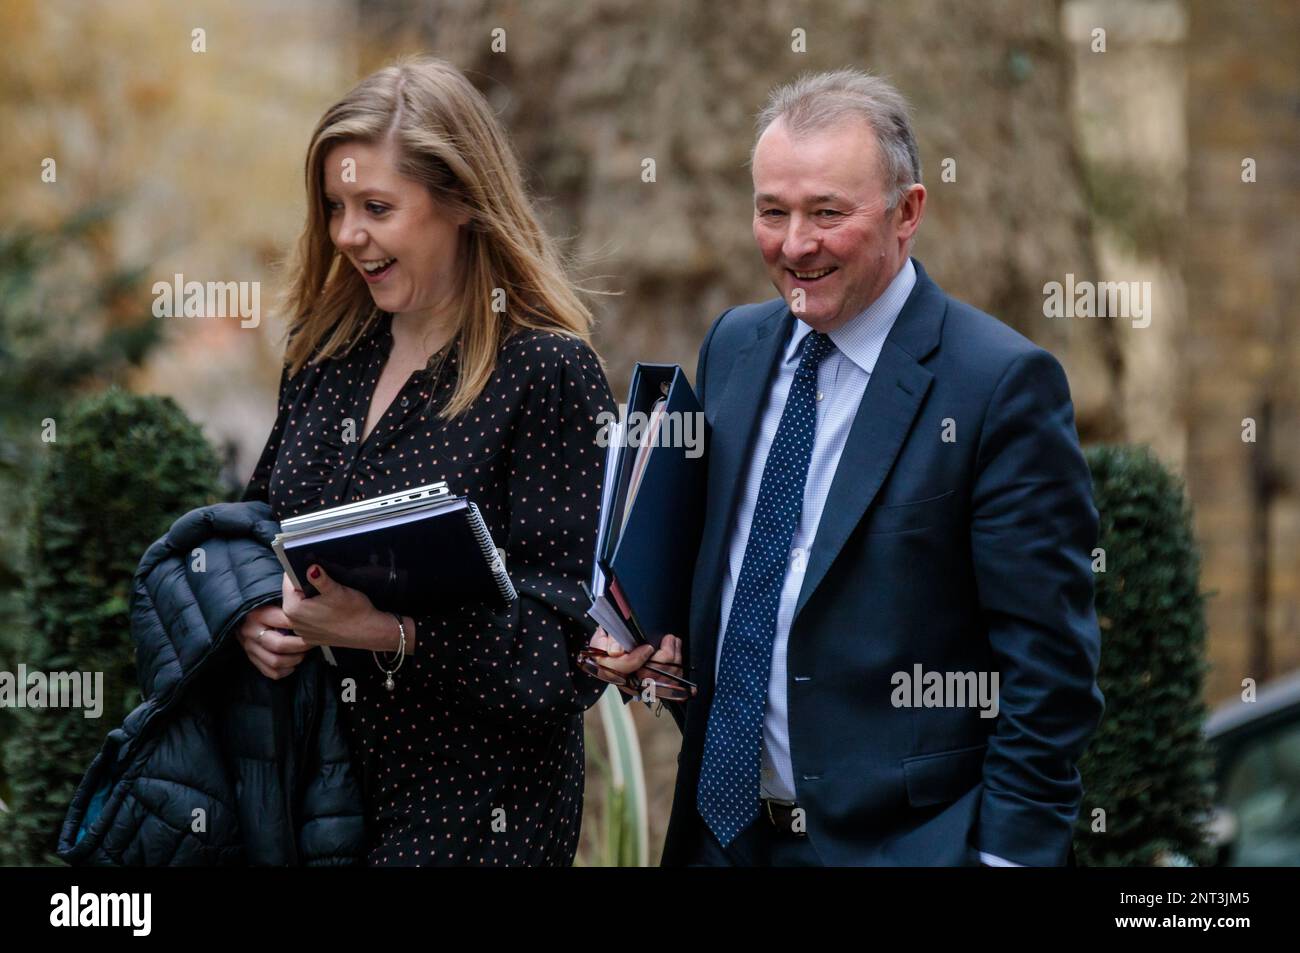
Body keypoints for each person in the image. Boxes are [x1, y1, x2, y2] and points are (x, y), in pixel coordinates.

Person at [588, 69, 1104, 866]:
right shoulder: (733, 346)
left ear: (908, 214)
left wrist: (1005, 859)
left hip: (910, 848)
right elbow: (739, 581)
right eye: (772, 211)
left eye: (828, 212)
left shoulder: (999, 386)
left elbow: (1051, 674)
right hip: (722, 839)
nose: (795, 244)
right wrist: (656, 643)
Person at [237, 55, 614, 865]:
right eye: (336, 207)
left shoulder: (547, 374)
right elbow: (255, 521)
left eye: (377, 206)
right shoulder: (323, 356)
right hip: (313, 799)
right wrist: (252, 618)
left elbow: (574, 651)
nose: (347, 235)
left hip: (471, 817)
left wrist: (393, 632)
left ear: (463, 205)